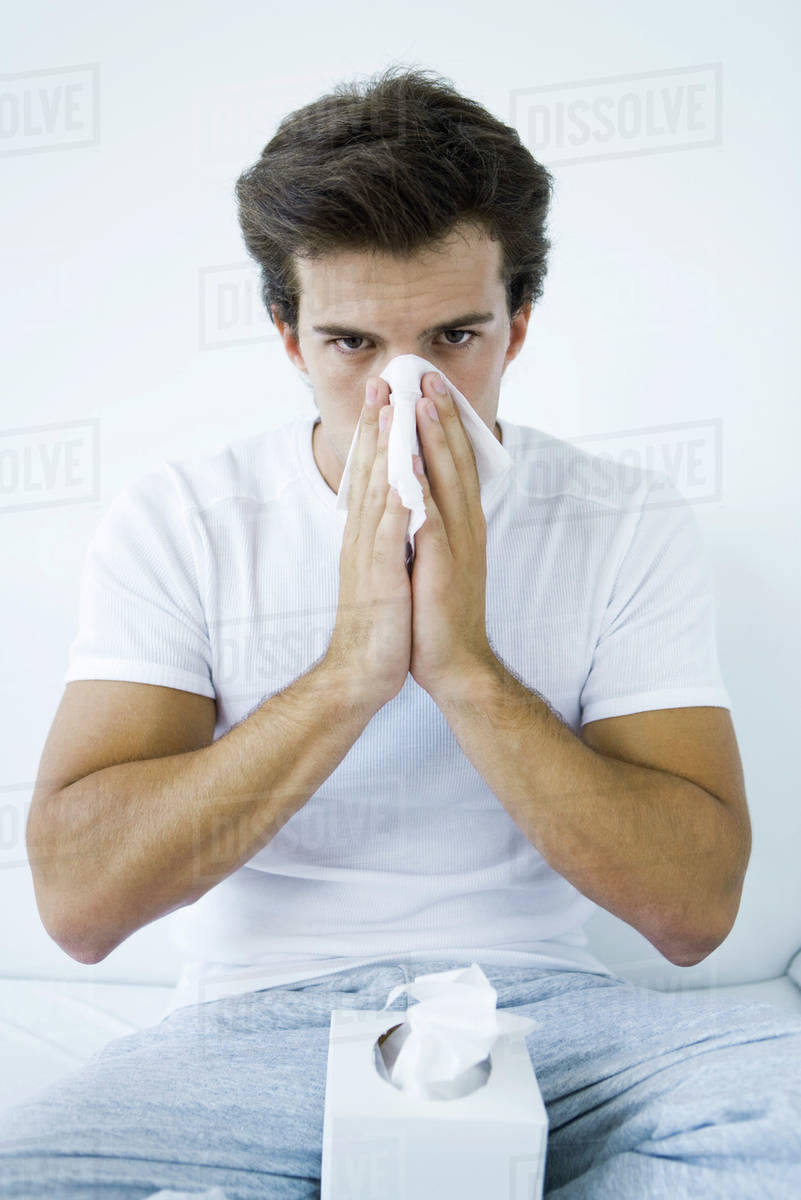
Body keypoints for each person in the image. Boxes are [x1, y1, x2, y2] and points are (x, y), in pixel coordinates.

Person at [2, 64, 799, 1199]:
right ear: (289, 337)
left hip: (550, 1020)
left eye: (455, 335)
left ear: (519, 325)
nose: (407, 389)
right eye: (353, 345)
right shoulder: (182, 520)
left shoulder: (620, 522)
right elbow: (79, 907)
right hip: (252, 1029)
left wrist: (463, 666)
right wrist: (350, 673)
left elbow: (693, 916)